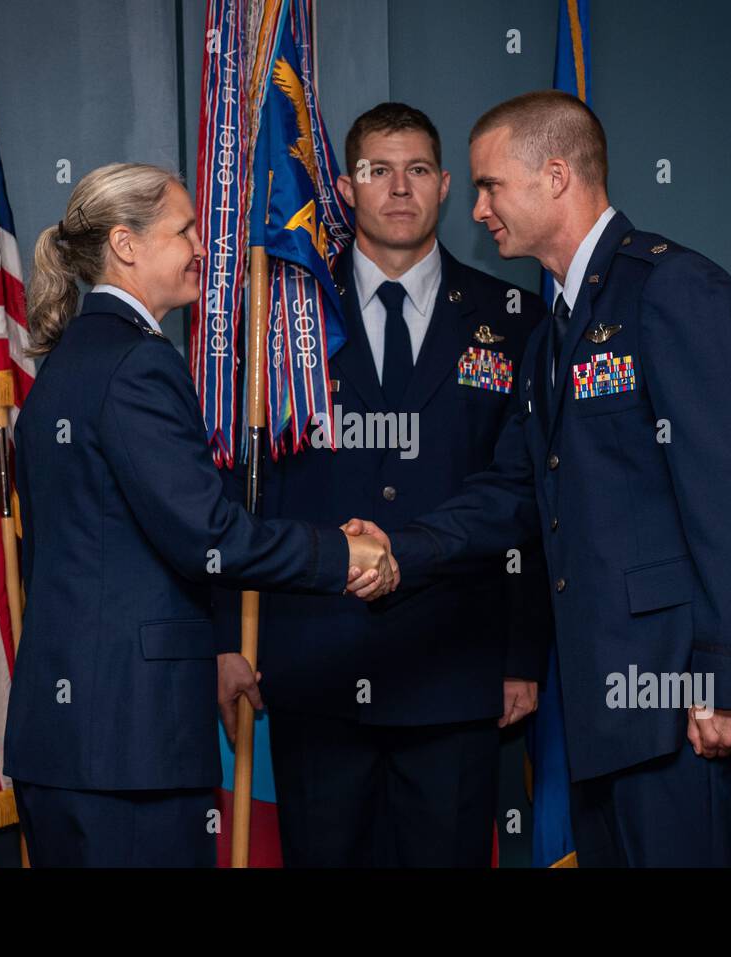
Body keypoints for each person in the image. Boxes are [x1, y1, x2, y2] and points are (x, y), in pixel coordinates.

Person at [353, 91, 731, 866]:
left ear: (558, 175)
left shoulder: (674, 291)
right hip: (607, 717)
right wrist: (401, 549)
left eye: (490, 186)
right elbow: (513, 492)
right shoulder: (552, 336)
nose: (476, 209)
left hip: (687, 702)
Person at [2, 162, 396, 867]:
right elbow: (206, 536)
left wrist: (215, 647)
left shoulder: (64, 364)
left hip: (66, 741)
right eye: (184, 230)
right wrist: (342, 554)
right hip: (132, 749)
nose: (202, 247)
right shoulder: (139, 363)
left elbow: (106, 551)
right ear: (125, 245)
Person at [215, 104, 551, 867]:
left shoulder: (514, 317)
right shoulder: (280, 317)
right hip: (315, 666)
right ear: (344, 187)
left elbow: (530, 494)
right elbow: (236, 487)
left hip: (455, 669)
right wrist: (227, 639)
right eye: (377, 170)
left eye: (419, 170)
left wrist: (521, 652)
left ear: (446, 186)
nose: (399, 188)